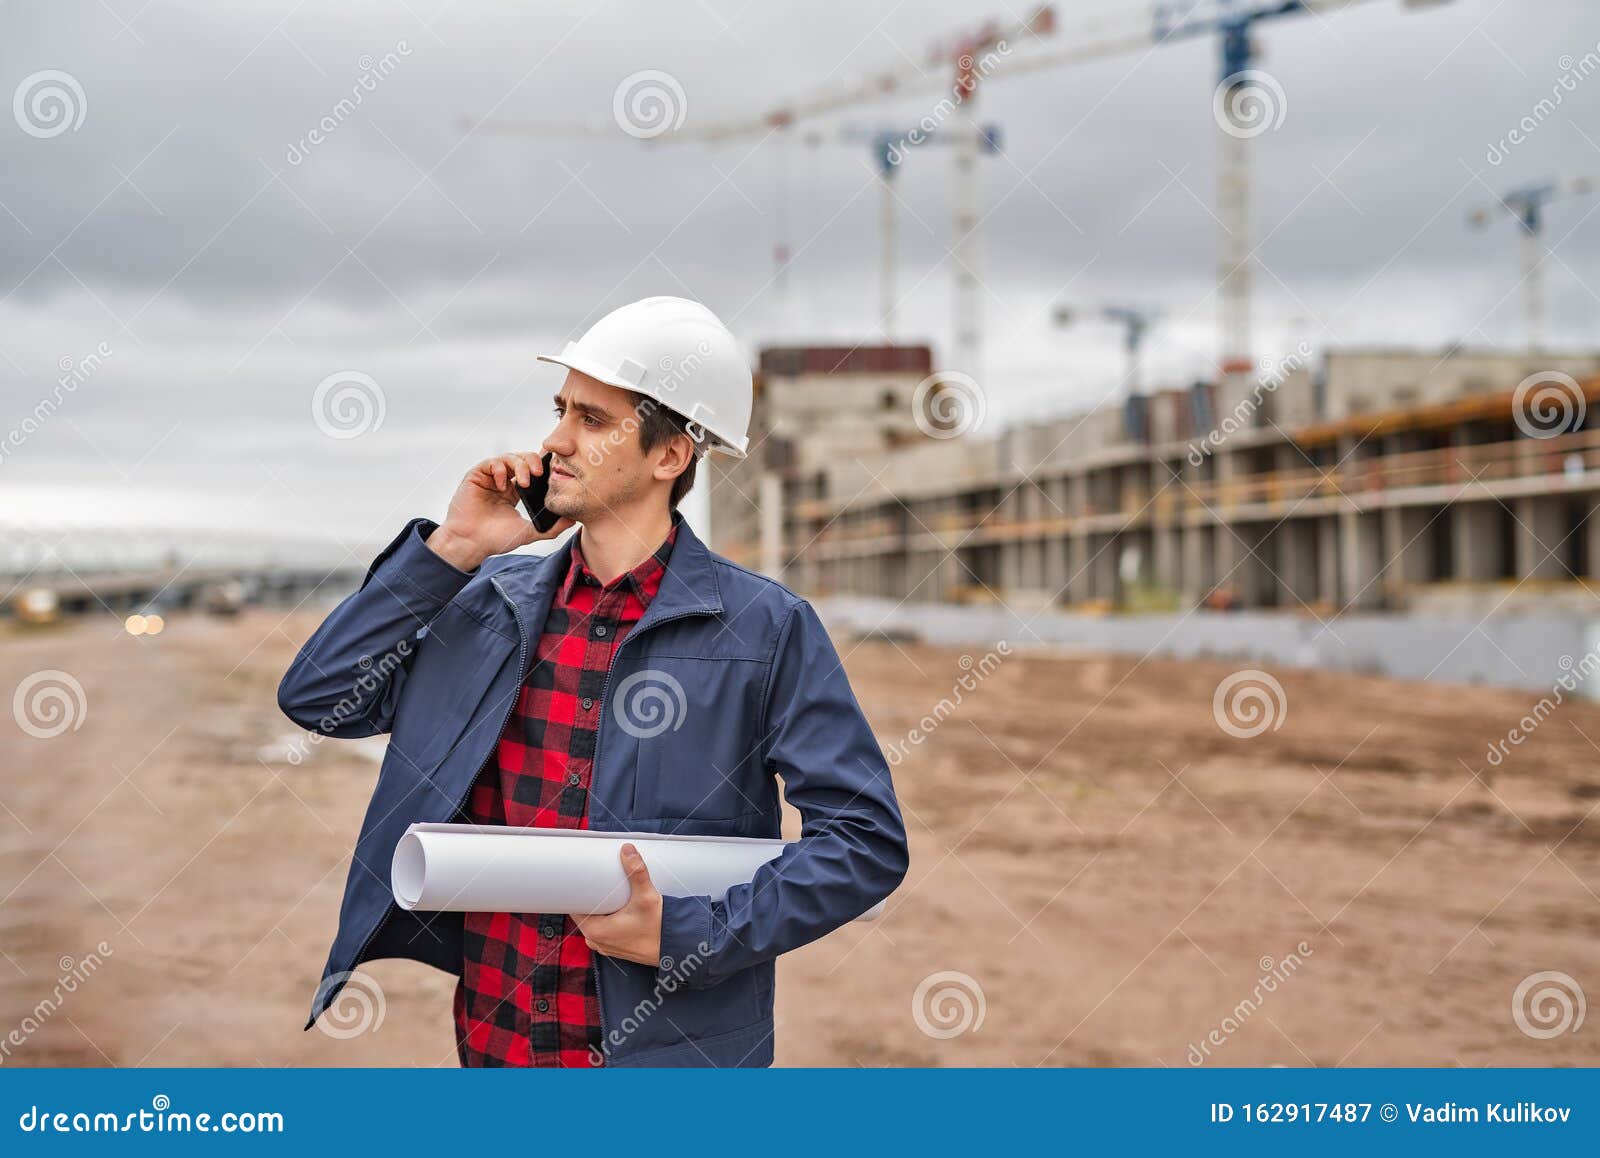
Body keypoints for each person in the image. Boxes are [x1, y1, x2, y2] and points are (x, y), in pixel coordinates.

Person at [277, 296, 909, 1067]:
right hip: (498, 1049)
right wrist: (453, 547)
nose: (555, 440)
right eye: (560, 411)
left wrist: (692, 935)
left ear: (670, 455)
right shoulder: (486, 606)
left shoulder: (766, 630)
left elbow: (863, 842)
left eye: (593, 419)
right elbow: (318, 696)